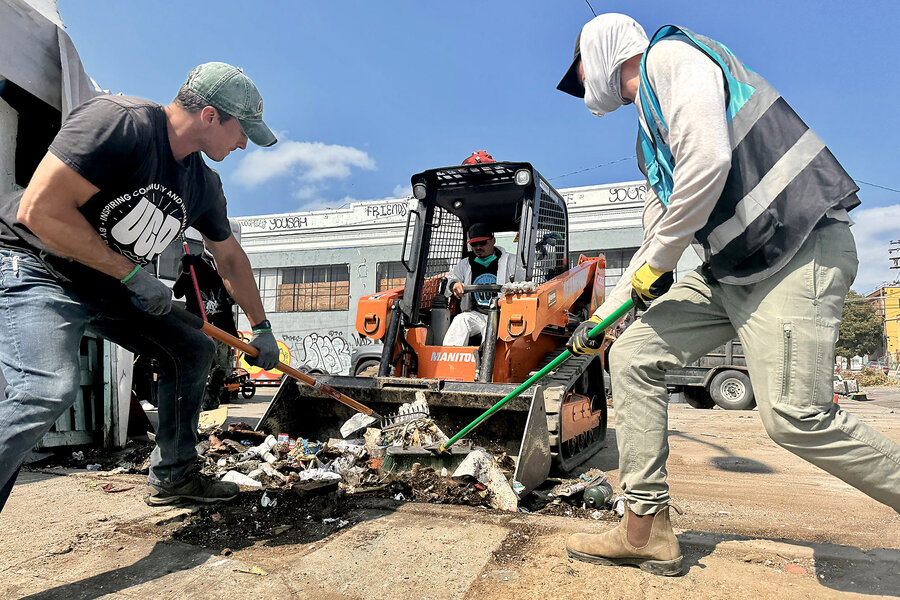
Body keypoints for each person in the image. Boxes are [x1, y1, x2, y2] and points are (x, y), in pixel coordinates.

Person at [558, 13, 900, 576]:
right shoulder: (649, 132)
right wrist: (608, 314)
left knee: (795, 416)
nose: (583, 91)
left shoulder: (670, 60)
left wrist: (659, 263)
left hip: (795, 248)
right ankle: (645, 530)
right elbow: (659, 227)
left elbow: (709, 161)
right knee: (634, 354)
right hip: (734, 269)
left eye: (579, 75)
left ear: (599, 53)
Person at [0, 61, 281, 510]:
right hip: (35, 265)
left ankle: (175, 475)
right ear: (210, 116)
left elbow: (228, 257)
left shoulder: (203, 184)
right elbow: (41, 212)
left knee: (191, 348)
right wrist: (131, 274)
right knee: (46, 389)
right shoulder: (119, 123)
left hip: (106, 284)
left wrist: (262, 327)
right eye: (241, 130)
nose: (244, 142)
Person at [173, 247, 240, 411]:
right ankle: (194, 409)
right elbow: (177, 292)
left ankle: (210, 405)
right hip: (199, 327)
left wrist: (230, 299)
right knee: (200, 369)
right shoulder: (192, 262)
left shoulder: (225, 265)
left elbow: (234, 296)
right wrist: (186, 273)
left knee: (223, 369)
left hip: (221, 329)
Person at [443, 223, 516, 346]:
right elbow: (450, 278)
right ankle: (450, 361)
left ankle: (485, 364)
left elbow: (531, 281)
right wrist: (454, 285)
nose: (478, 247)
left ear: (493, 241)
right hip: (477, 314)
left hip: (503, 315)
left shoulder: (512, 261)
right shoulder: (465, 264)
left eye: (483, 243)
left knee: (489, 337)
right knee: (460, 320)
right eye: (474, 244)